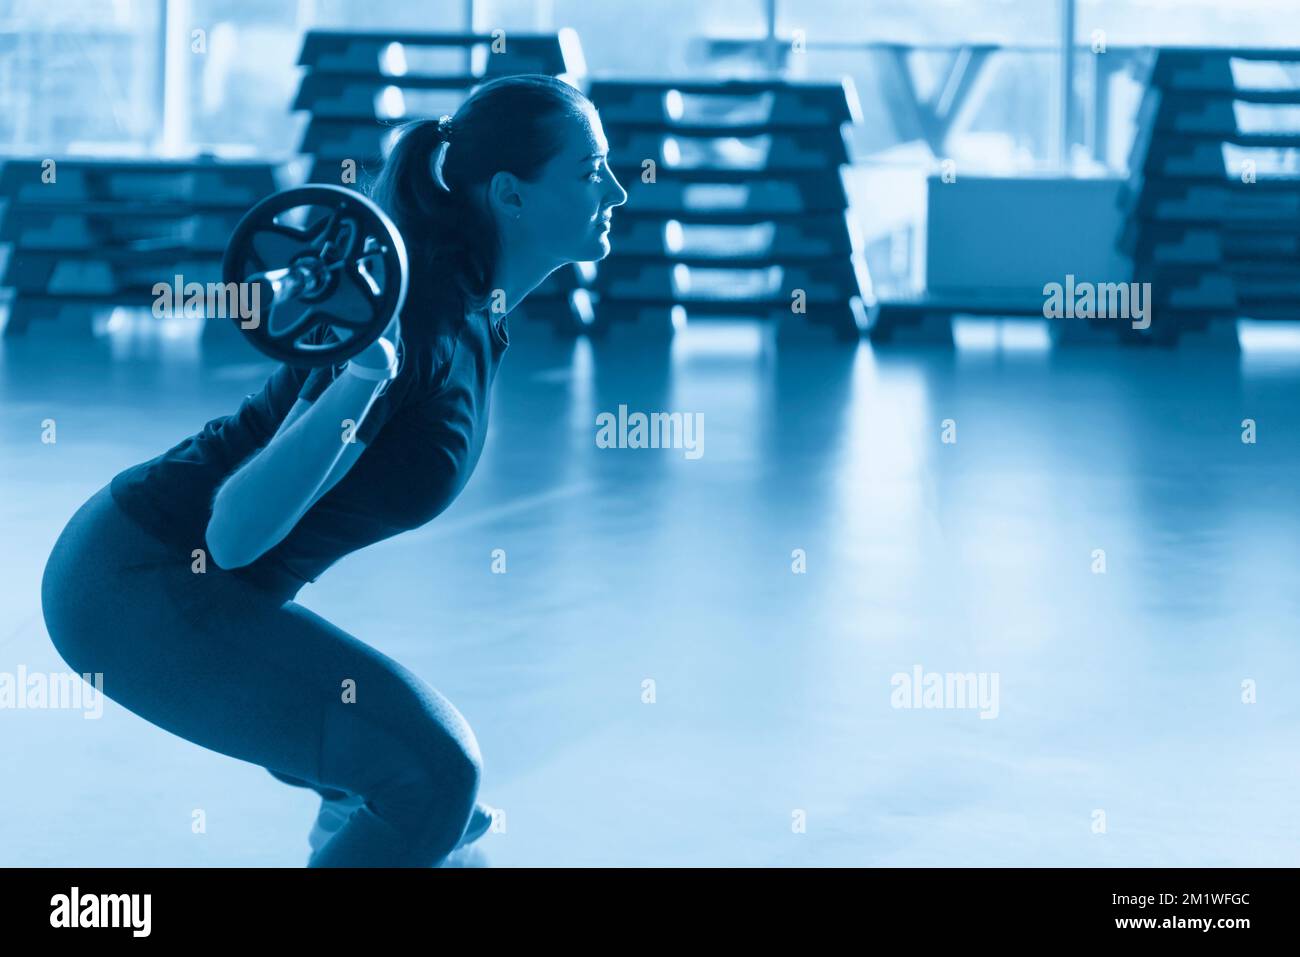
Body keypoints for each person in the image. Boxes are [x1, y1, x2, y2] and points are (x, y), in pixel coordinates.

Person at [40, 73, 628, 867]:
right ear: (511, 196)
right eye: (591, 172)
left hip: (199, 587)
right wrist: (361, 381)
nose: (619, 190)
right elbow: (236, 532)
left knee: (441, 827)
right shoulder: (410, 320)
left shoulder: (474, 313)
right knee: (437, 779)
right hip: (137, 585)